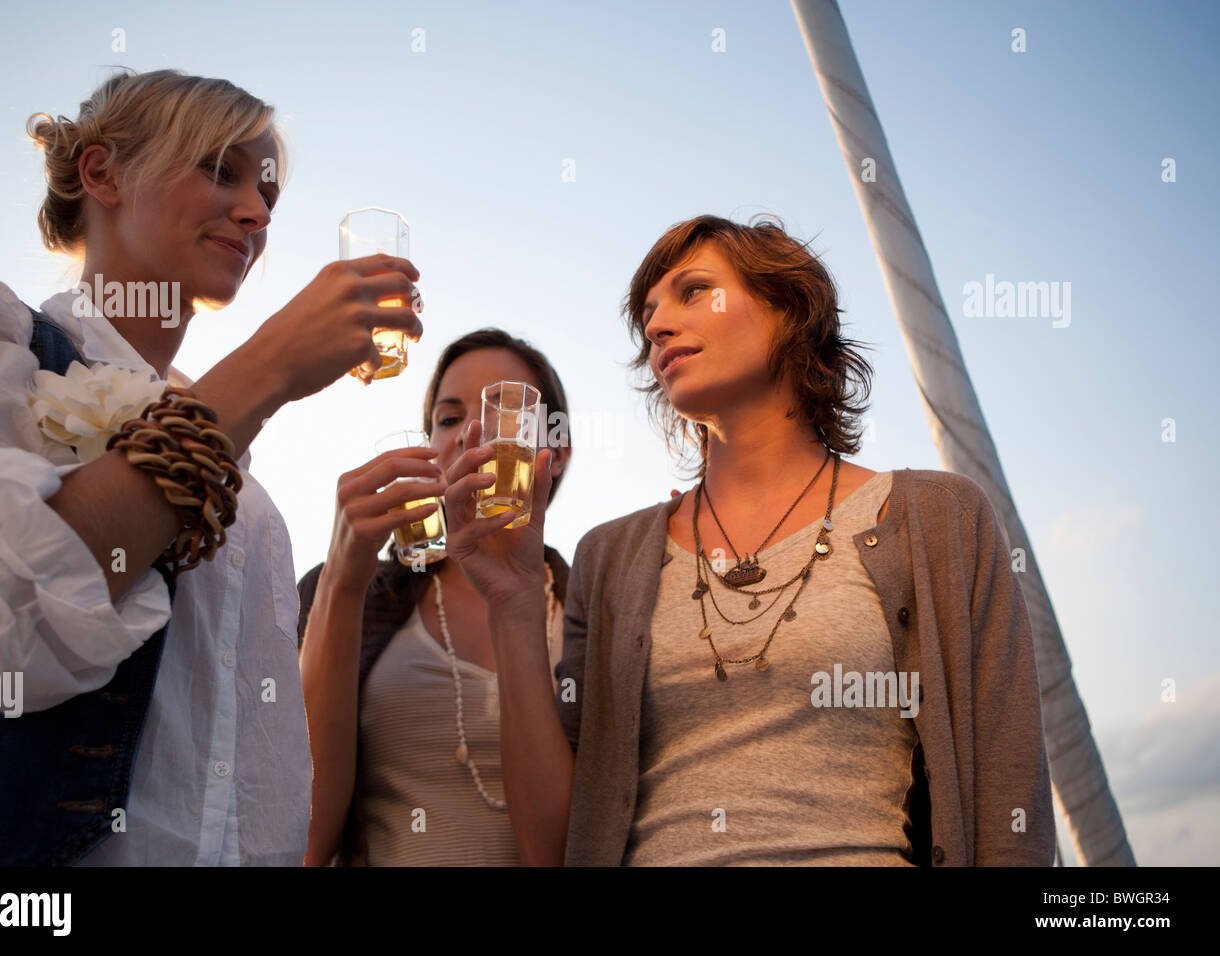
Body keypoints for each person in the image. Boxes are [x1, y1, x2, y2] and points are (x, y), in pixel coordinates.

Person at [441, 214, 1056, 866]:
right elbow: (553, 848)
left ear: (787, 305)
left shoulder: (939, 518)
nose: (656, 326)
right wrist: (511, 601)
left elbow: (1007, 807)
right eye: (647, 315)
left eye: (693, 291)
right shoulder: (608, 559)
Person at [0, 68, 423, 865]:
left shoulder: (252, 499)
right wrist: (270, 368)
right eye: (220, 171)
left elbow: (258, 773)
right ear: (102, 171)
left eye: (267, 196)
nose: (257, 214)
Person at [297, 328, 573, 866]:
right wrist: (341, 582)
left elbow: (567, 852)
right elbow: (300, 838)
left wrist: (513, 603)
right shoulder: (358, 594)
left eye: (506, 415)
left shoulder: (594, 603)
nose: (471, 433)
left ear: (554, 452)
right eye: (449, 419)